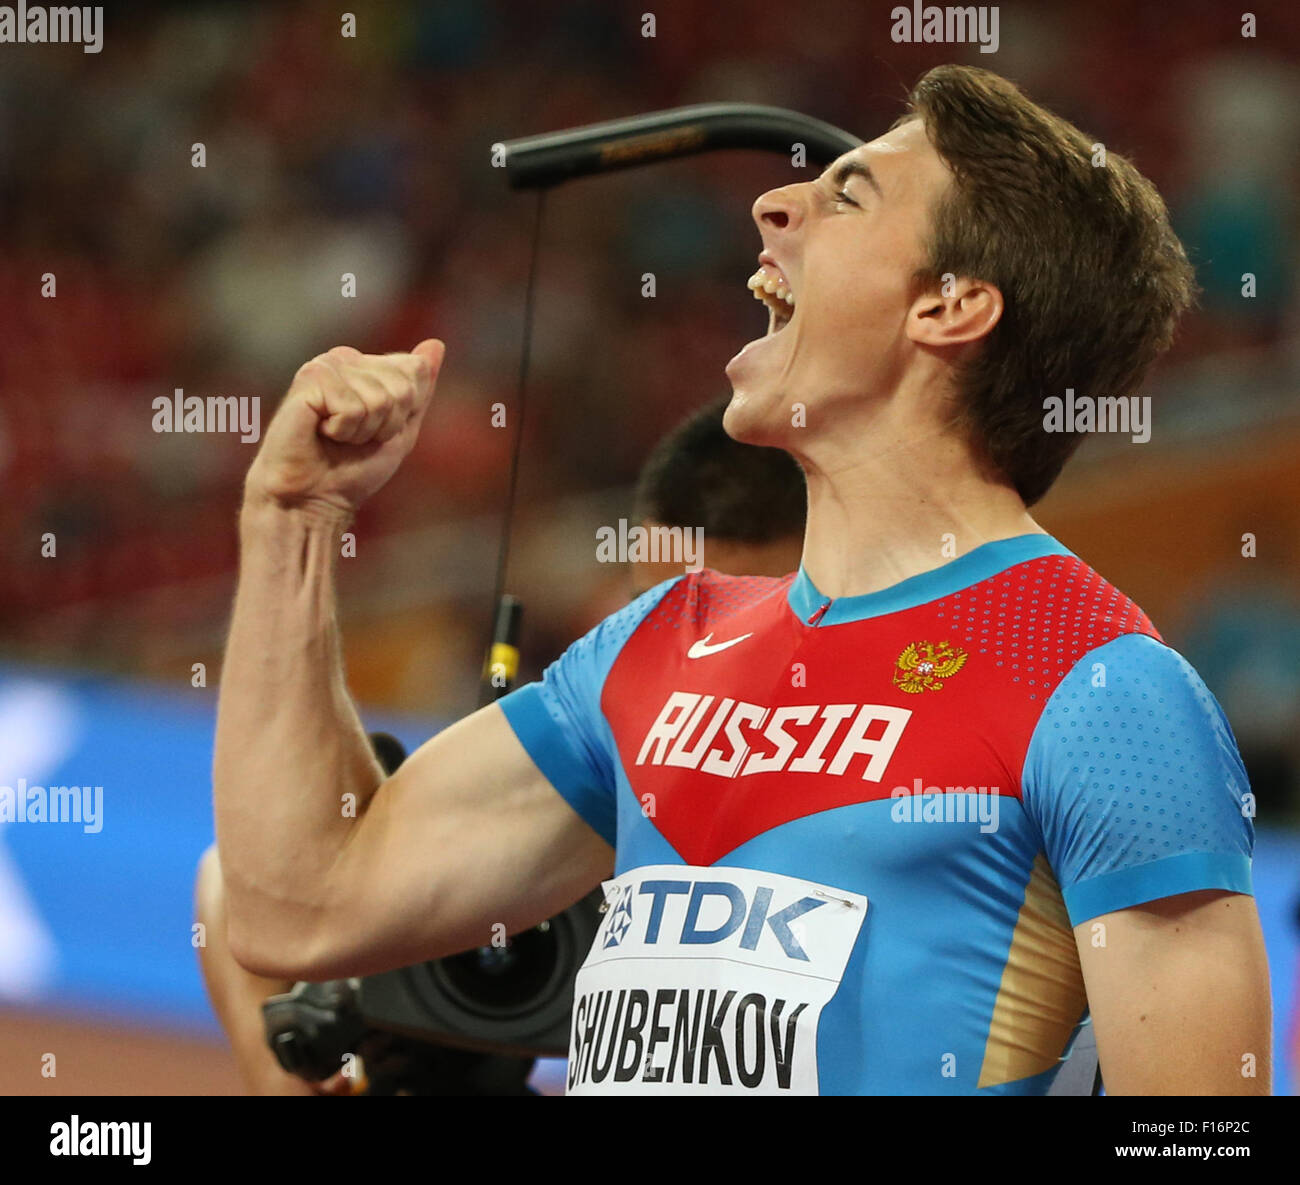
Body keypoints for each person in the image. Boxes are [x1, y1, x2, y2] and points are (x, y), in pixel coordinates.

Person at [213, 65, 1271, 1095]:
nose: (771, 202)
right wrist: (293, 523)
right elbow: (298, 903)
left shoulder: (1101, 692)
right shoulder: (656, 641)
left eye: (847, 193)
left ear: (950, 308)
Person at [195, 396, 804, 1094]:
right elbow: (251, 886)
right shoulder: (593, 724)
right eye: (663, 620)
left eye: (741, 635)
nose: (692, 669)